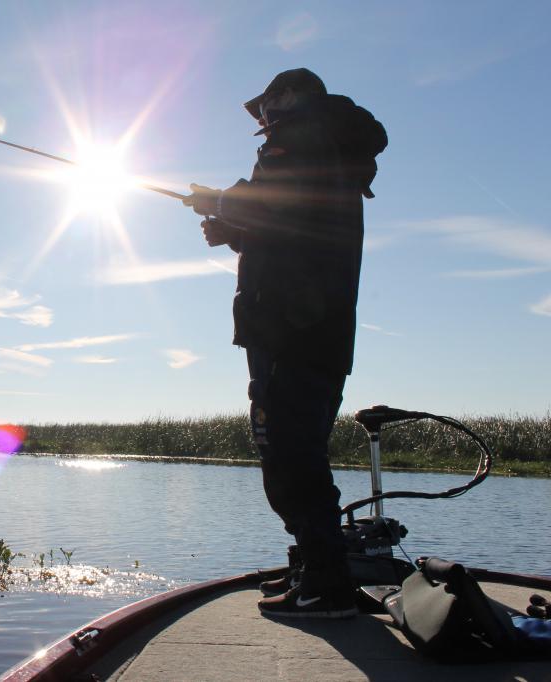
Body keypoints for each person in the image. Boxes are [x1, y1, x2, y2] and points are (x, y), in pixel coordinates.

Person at [183, 68, 387, 618]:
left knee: (288, 458)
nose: (263, 119)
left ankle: (325, 583)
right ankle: (318, 571)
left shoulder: (301, 135)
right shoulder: (335, 150)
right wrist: (236, 231)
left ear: (290, 96)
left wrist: (221, 202)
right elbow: (296, 226)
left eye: (268, 106)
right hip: (321, 332)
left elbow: (274, 199)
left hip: (289, 331)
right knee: (302, 453)